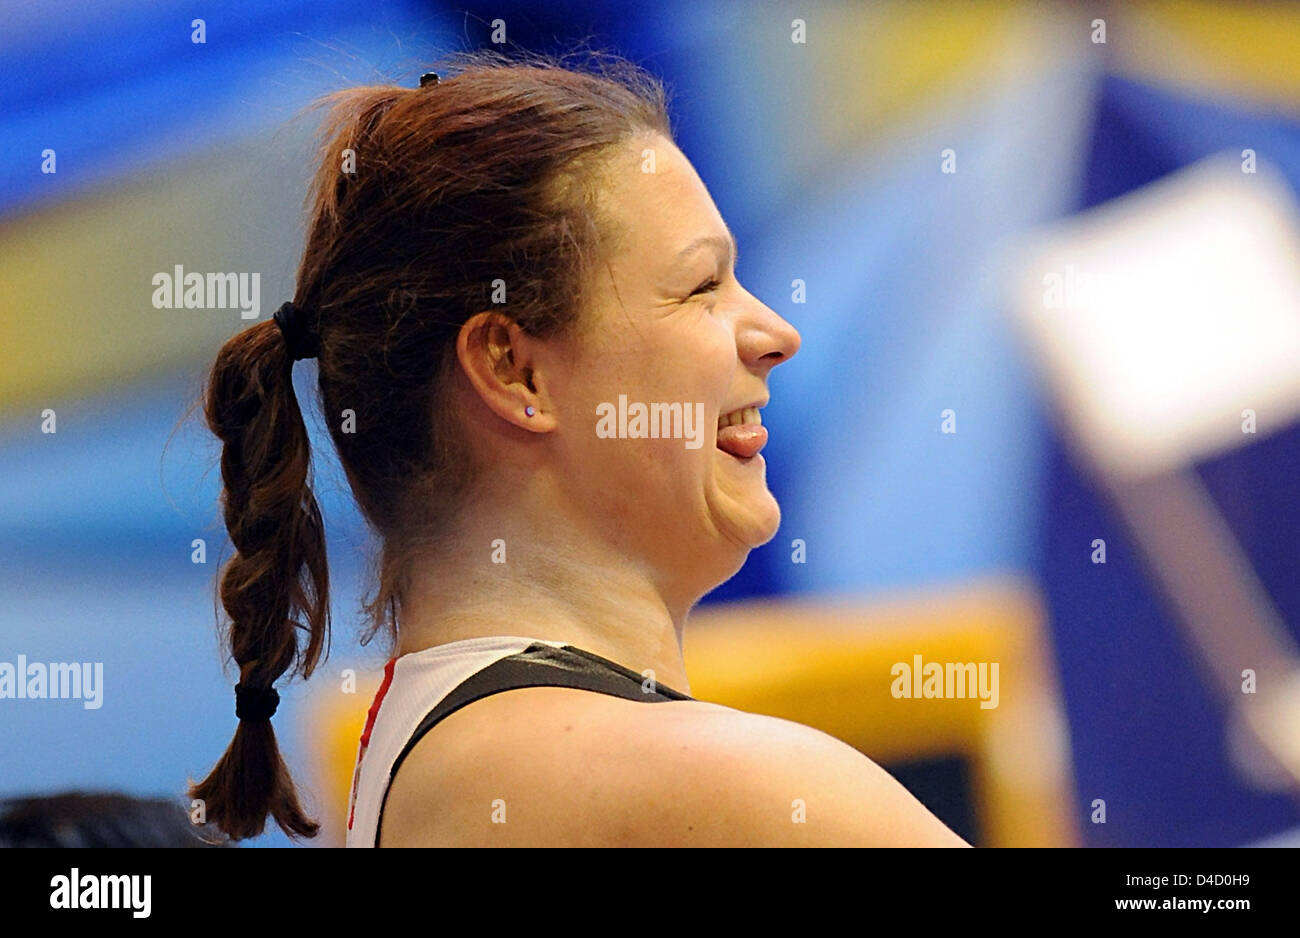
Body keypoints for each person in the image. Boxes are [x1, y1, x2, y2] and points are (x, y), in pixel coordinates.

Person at [191, 50, 969, 847]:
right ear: (514, 369)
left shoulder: (432, 756)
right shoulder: (717, 786)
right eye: (703, 287)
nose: (777, 333)